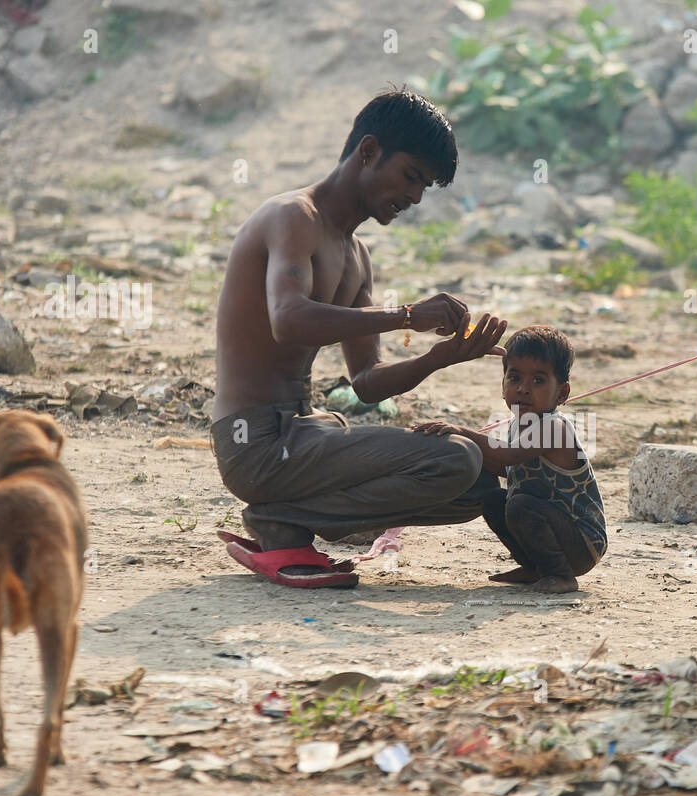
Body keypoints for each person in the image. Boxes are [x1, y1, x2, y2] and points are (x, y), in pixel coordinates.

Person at [209, 89, 506, 588]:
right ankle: (282, 522)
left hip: (303, 432)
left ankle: (285, 519)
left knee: (476, 487)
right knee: (457, 458)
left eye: (424, 187)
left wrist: (442, 356)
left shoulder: (357, 255)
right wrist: (408, 315)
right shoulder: (293, 217)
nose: (414, 197)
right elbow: (289, 319)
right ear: (368, 152)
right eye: (411, 176)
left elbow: (367, 383)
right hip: (254, 443)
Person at [412, 326, 606, 594]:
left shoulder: (553, 427)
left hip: (581, 541)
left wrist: (462, 431)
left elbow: (510, 455)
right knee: (494, 500)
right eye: (514, 377)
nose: (523, 389)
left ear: (562, 393)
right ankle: (535, 566)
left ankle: (560, 575)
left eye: (538, 381)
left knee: (520, 505)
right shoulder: (520, 424)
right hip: (549, 525)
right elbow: (509, 467)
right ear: (503, 384)